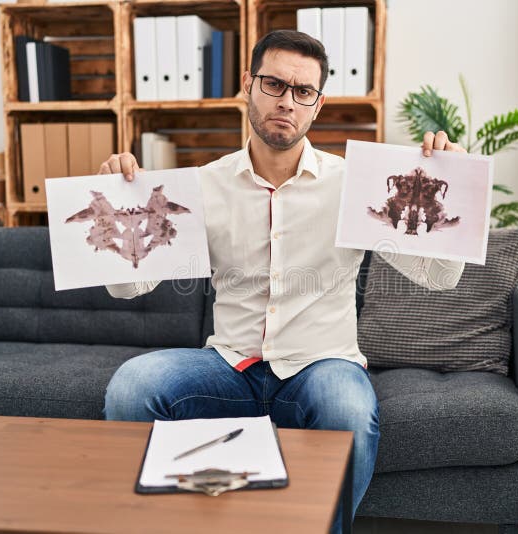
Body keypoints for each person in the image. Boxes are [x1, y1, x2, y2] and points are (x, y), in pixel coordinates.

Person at [100, 29, 466, 534]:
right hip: (230, 366)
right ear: (247, 84)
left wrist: (454, 188)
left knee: (348, 410)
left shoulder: (353, 186)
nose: (287, 101)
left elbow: (439, 277)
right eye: (273, 84)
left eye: (303, 91)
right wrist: (117, 204)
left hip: (321, 365)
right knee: (132, 386)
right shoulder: (203, 186)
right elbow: (127, 288)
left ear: (318, 104)